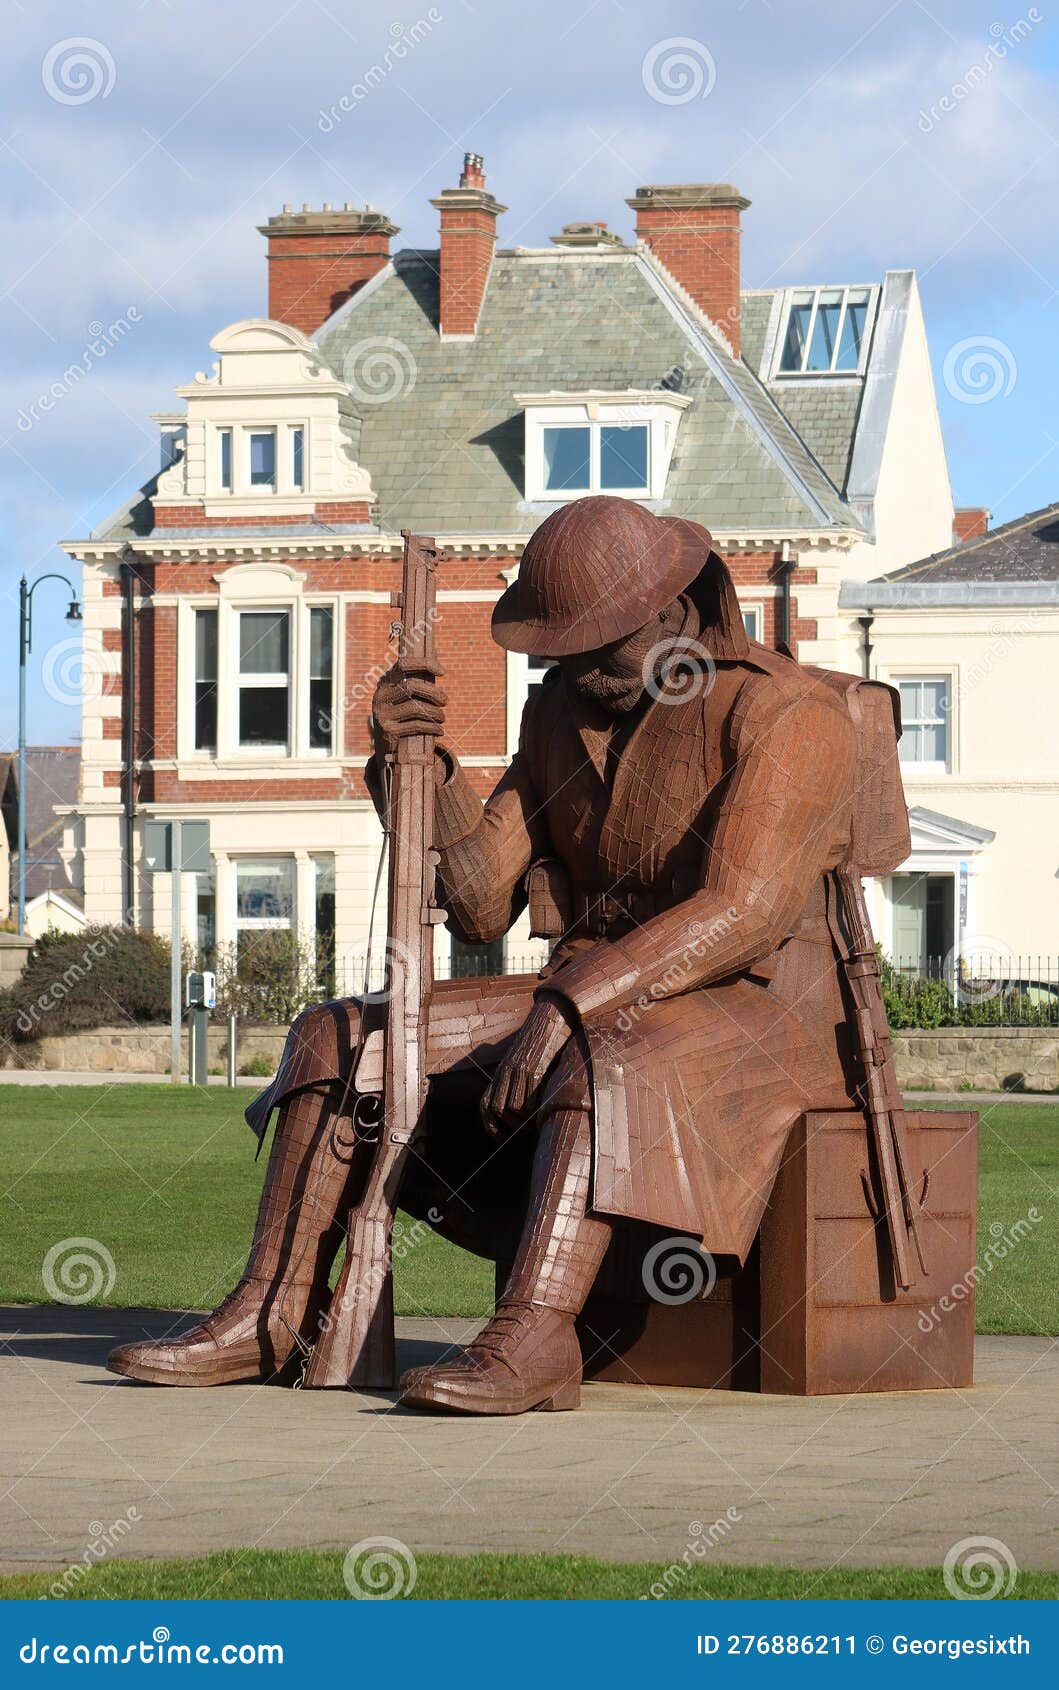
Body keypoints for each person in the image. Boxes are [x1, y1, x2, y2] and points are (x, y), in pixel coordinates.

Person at [108, 495, 871, 1414]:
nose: (575, 669)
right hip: (596, 999)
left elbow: (742, 911)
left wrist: (570, 1003)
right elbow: (478, 902)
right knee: (337, 1038)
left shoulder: (786, 713)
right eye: (561, 651)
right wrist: (414, 765)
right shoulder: (558, 717)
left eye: (597, 646)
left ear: (671, 614)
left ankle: (537, 1334)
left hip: (760, 1014)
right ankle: (272, 1311)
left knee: (606, 1057)